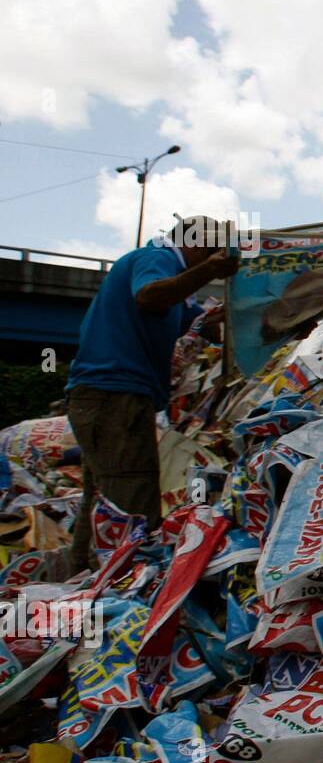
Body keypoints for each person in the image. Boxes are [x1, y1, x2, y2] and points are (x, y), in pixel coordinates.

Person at [65, 216, 240, 572]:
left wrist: (231, 314)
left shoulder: (177, 287)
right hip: (115, 396)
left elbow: (198, 324)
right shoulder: (159, 256)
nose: (217, 255)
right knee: (133, 496)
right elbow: (150, 296)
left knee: (105, 497)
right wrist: (209, 271)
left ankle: (85, 578)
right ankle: (125, 584)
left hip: (108, 396)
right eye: (213, 248)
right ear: (195, 243)